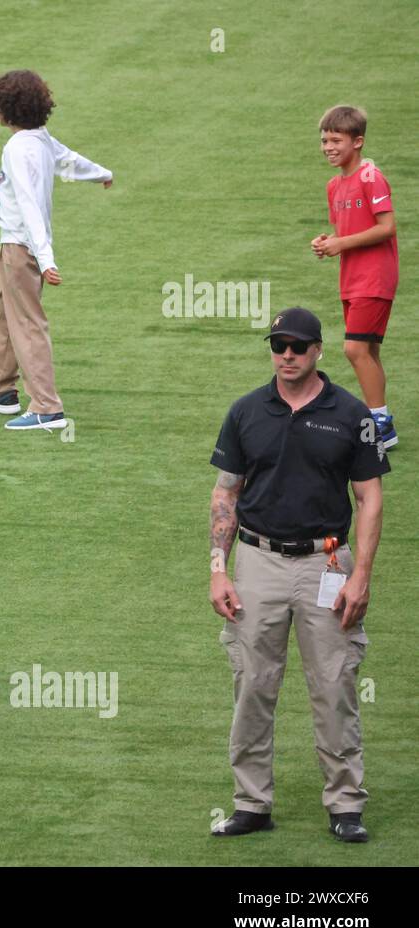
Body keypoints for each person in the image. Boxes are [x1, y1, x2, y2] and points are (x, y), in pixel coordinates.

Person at [208, 307, 386, 843]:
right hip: (256, 561)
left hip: (326, 563)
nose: (287, 354)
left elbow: (370, 497)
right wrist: (219, 569)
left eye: (298, 346)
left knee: (334, 686)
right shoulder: (245, 412)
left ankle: (345, 804)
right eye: (278, 344)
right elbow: (225, 493)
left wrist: (363, 576)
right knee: (252, 685)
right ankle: (251, 803)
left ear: (318, 351)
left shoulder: (351, 413)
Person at [0, 69, 112, 432]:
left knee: (27, 324)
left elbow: (29, 204)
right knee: (2, 312)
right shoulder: (40, 139)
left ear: (6, 109)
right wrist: (101, 173)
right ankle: (2, 390)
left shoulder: (18, 148)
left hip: (22, 248)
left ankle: (47, 407)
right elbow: (70, 161)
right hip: (17, 247)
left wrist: (46, 259)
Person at [311, 105, 399, 449]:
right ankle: (380, 418)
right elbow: (346, 231)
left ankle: (381, 425)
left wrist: (341, 243)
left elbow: (386, 227)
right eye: (324, 140)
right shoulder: (335, 186)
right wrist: (327, 242)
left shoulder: (370, 177)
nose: (328, 147)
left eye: (336, 140)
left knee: (354, 348)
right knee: (369, 350)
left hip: (375, 277)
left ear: (357, 141)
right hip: (352, 277)